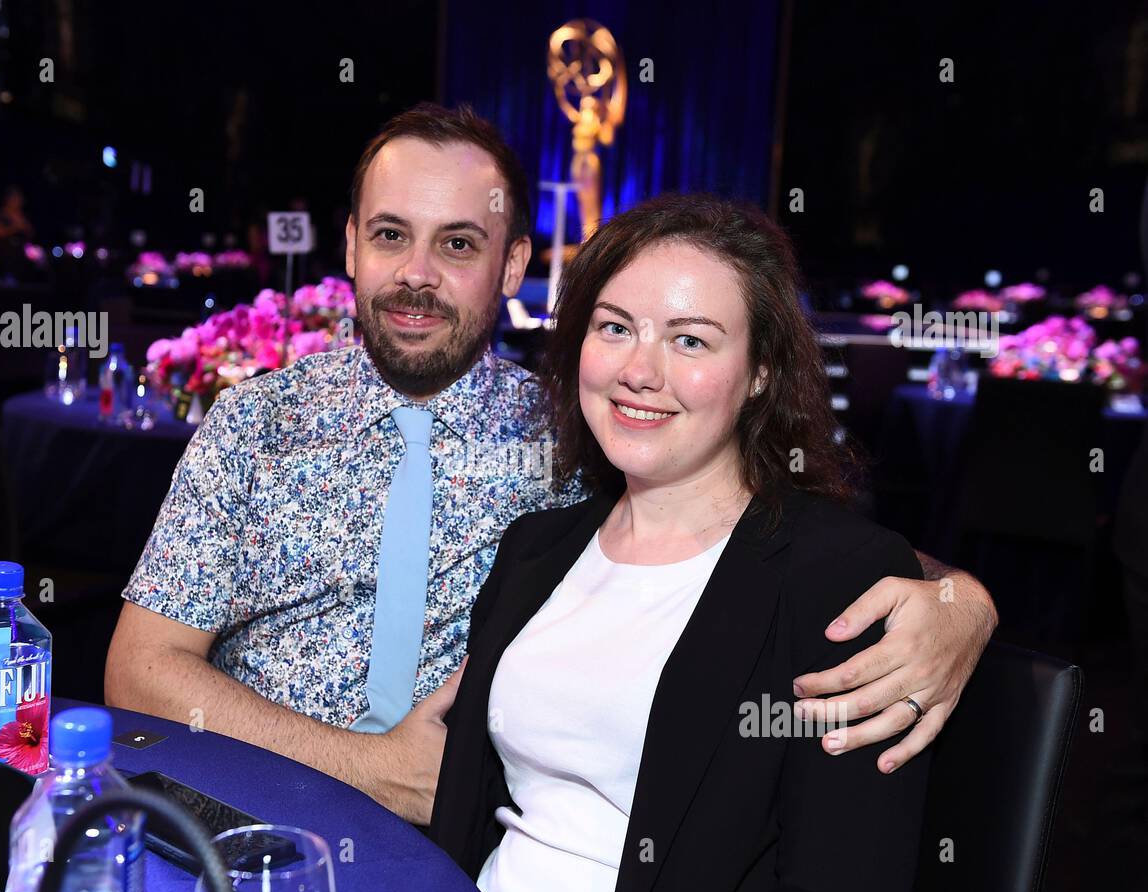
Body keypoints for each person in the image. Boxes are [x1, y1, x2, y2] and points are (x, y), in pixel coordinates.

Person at [105, 104, 996, 826]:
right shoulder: (256, 422)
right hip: (236, 825)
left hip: (457, 862)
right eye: (390, 235)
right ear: (349, 248)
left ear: (513, 265)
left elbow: (779, 535)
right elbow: (140, 669)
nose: (416, 275)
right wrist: (370, 768)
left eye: (459, 244)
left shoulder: (582, 431)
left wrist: (962, 603)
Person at [430, 193, 933, 892]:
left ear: (761, 372)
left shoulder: (836, 582)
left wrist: (967, 603)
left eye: (690, 340)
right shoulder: (535, 550)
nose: (640, 370)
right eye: (615, 327)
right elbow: (468, 817)